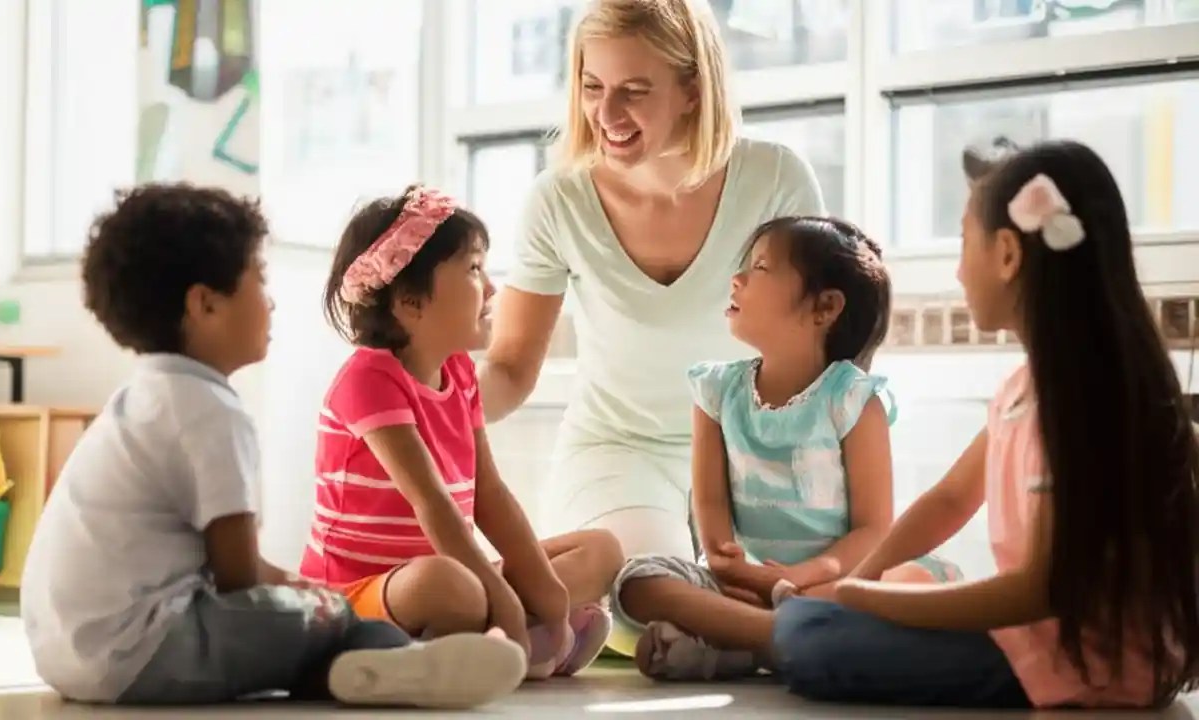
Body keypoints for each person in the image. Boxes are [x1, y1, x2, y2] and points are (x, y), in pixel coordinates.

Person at [19, 184, 526, 709]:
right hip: (145, 650)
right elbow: (239, 576)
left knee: (303, 621)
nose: (271, 299)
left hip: (65, 655)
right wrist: (309, 592)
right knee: (324, 621)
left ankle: (362, 666)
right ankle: (397, 662)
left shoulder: (139, 397)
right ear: (206, 304)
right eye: (259, 281)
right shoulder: (210, 411)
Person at [771, 139, 1199, 709]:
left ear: (1006, 254)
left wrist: (870, 601)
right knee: (821, 619)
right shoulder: (1030, 387)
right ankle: (780, 630)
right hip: (1050, 639)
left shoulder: (1076, 402)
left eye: (964, 242)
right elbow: (950, 499)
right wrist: (860, 587)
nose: (957, 267)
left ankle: (759, 637)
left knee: (809, 640)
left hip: (1086, 662)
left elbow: (1039, 589)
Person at [477, 0, 827, 560]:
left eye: (634, 91)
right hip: (617, 451)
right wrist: (429, 401)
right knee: (650, 588)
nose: (607, 113)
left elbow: (822, 345)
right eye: (593, 87)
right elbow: (511, 369)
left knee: (774, 600)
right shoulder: (558, 198)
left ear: (692, 89)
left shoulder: (776, 178)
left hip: (752, 452)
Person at [302, 185, 625, 681]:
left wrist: (549, 596)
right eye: (475, 269)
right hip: (360, 593)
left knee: (603, 550)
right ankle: (509, 636)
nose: (492, 289)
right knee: (452, 587)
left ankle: (510, 638)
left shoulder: (460, 374)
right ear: (411, 302)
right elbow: (433, 504)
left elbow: (489, 494)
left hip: (450, 567)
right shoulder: (368, 378)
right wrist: (512, 606)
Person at [609, 216, 959, 672]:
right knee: (638, 581)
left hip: (835, 582)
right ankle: (783, 640)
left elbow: (873, 531)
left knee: (919, 578)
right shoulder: (716, 392)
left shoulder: (853, 399)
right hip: (747, 585)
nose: (737, 279)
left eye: (760, 268)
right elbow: (709, 501)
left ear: (826, 307)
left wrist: (800, 579)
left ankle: (744, 643)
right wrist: (723, 559)